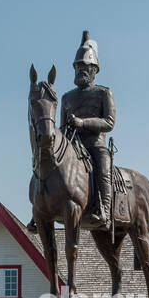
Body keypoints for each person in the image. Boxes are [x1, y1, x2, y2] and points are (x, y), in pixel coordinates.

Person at [60, 30, 115, 229]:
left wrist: (82, 123)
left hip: (94, 144)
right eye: (78, 66)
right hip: (71, 147)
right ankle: (42, 208)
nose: (81, 70)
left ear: (94, 69)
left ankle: (105, 210)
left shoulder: (103, 93)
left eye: (85, 66)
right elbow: (62, 126)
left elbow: (109, 122)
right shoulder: (67, 97)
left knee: (102, 165)